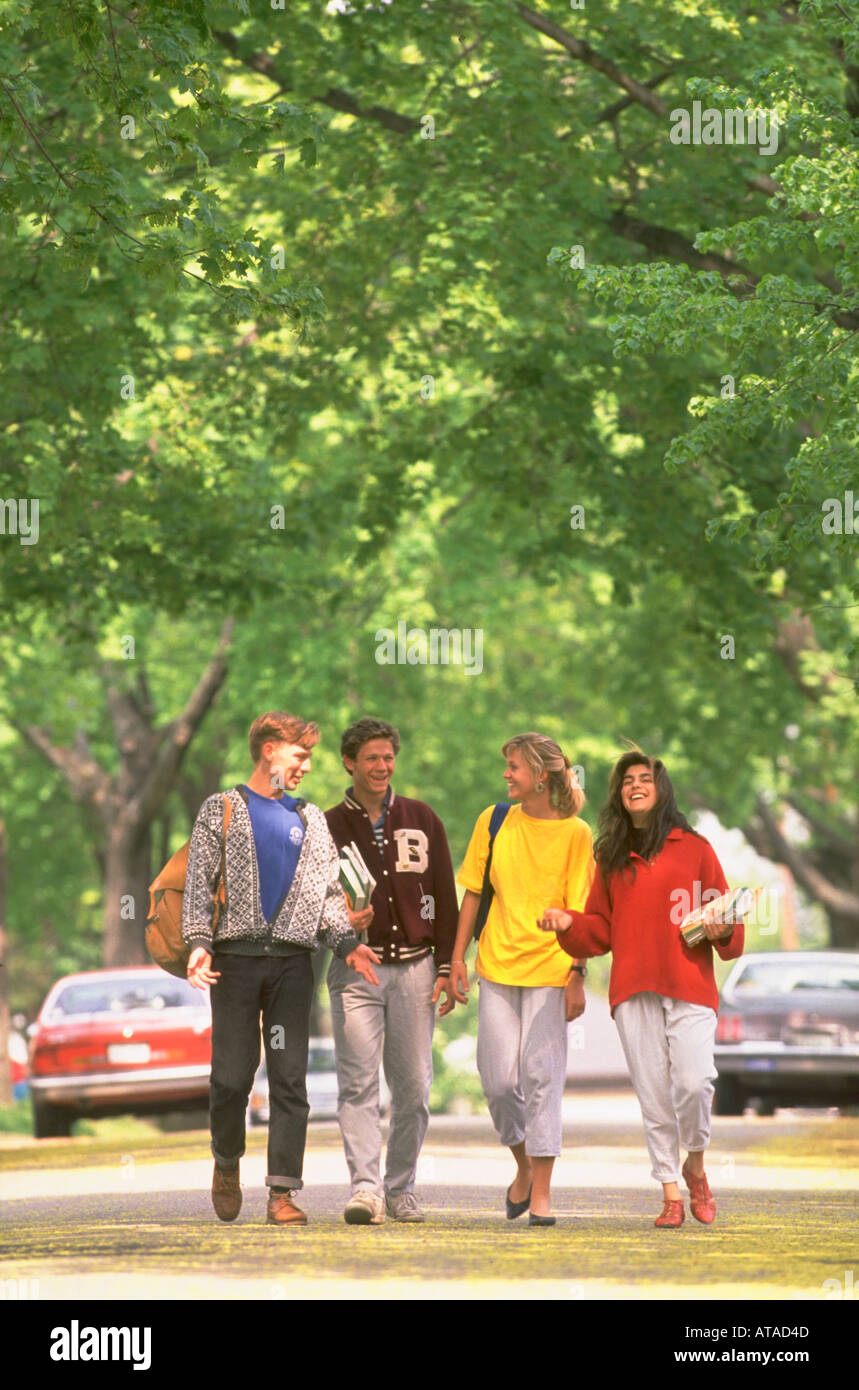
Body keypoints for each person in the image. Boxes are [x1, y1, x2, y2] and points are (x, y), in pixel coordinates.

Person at [183, 711, 380, 1227]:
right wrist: (199, 944)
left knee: (290, 1079)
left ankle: (281, 1193)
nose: (307, 767)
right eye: (300, 756)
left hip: (294, 963)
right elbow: (199, 882)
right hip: (235, 961)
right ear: (269, 750)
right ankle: (227, 1162)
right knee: (230, 1077)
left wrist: (347, 943)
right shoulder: (221, 809)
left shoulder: (311, 820)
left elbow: (328, 895)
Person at [539, 750, 745, 1228]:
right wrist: (569, 924)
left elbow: (730, 929)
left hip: (690, 986)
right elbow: (599, 931)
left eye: (644, 779)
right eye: (627, 780)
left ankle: (695, 1164)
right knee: (653, 1096)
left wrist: (720, 930)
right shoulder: (610, 856)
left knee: (695, 1084)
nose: (635, 785)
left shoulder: (695, 848)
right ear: (619, 793)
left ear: (660, 788)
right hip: (633, 990)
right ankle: (670, 1191)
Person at [446, 732, 593, 1226]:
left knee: (541, 1079)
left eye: (514, 767)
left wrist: (577, 973)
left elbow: (581, 912)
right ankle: (524, 1166)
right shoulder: (494, 821)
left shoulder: (577, 834)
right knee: (500, 1082)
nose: (506, 774)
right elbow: (471, 893)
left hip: (552, 971)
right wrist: (456, 959)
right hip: (498, 965)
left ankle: (543, 1195)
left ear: (541, 776)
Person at [325, 717, 459, 1224]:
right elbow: (312, 900)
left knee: (414, 1088)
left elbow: (445, 898)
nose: (382, 766)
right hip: (355, 968)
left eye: (388, 757)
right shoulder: (328, 825)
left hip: (417, 969)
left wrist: (447, 966)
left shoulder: (422, 819)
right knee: (358, 1085)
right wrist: (339, 924)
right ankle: (365, 1189)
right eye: (371, 758)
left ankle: (400, 1186)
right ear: (350, 763)